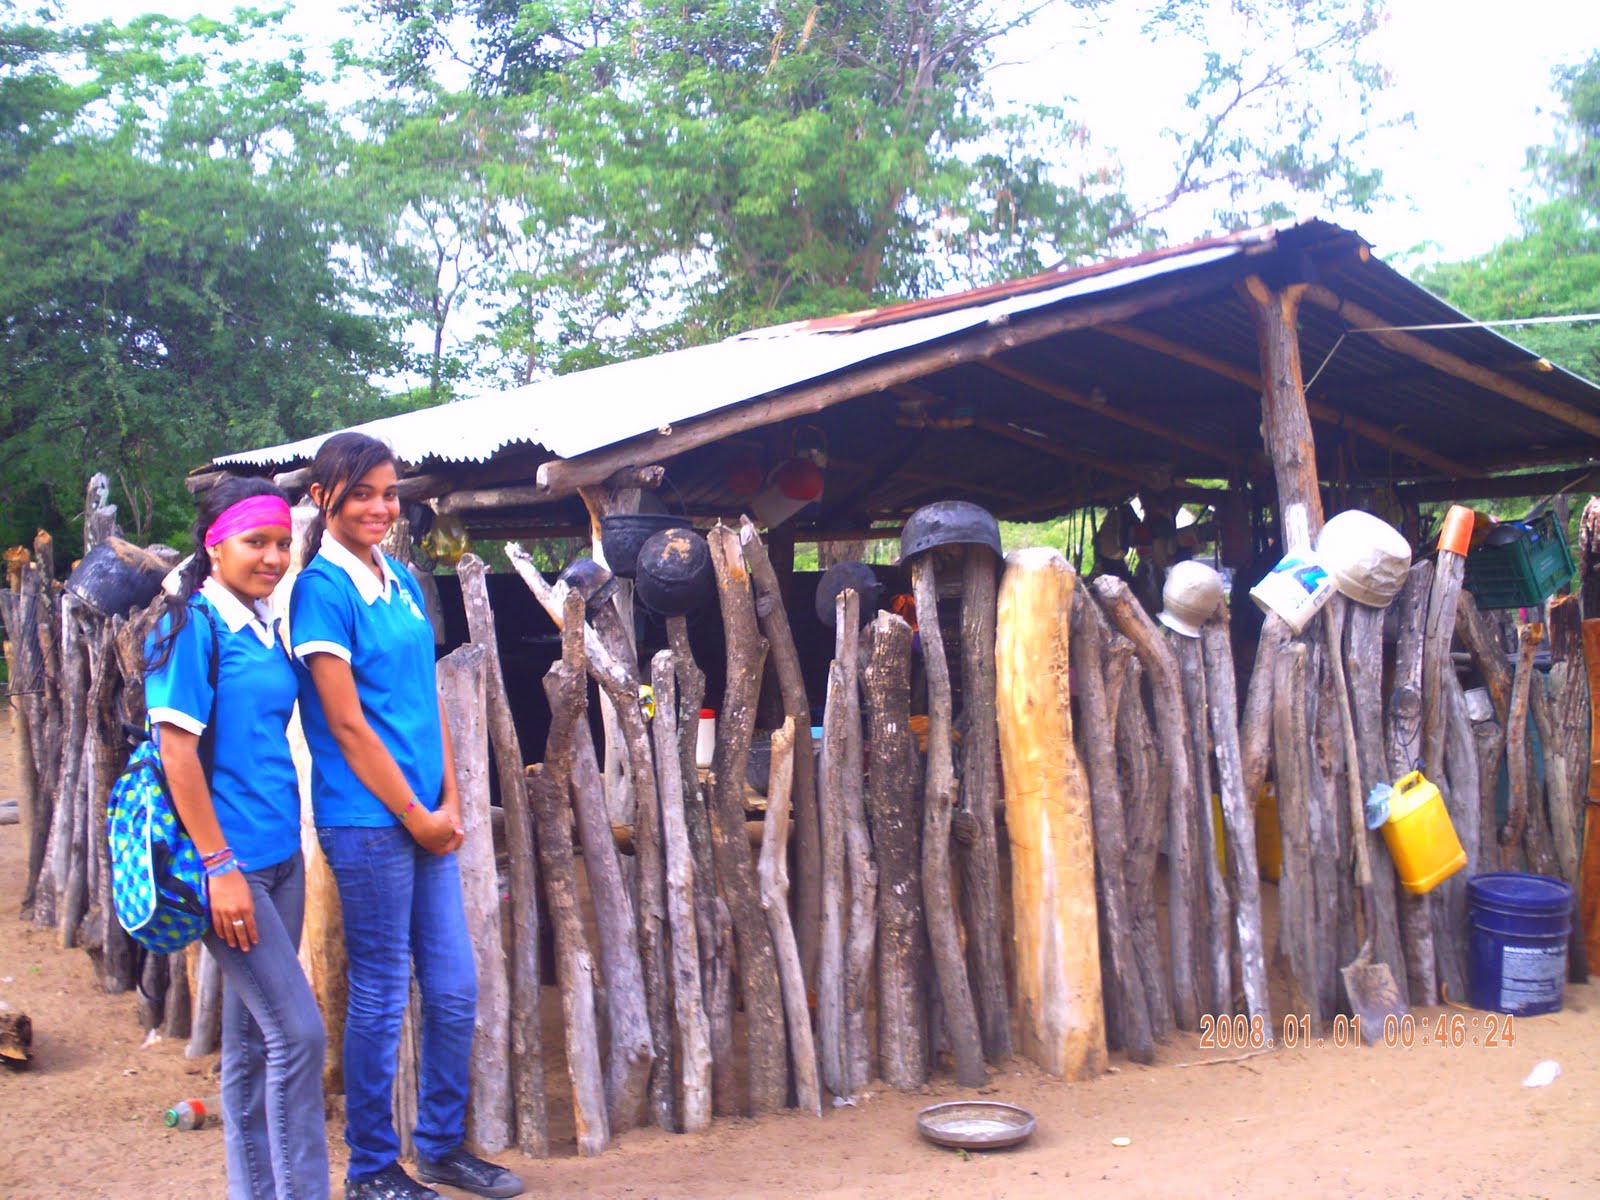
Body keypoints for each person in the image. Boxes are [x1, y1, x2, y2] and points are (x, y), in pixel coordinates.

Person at [289, 432, 523, 1200]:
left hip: (427, 813)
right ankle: (370, 1167)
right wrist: (415, 815)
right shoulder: (320, 589)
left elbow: (426, 699)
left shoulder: (401, 581)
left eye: (389, 494)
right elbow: (348, 725)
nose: (380, 508)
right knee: (383, 993)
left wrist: (450, 799)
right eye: (361, 493)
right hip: (367, 819)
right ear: (324, 497)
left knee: (455, 987)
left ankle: (441, 1148)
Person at [145, 477, 329, 1200]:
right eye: (257, 541)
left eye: (283, 543)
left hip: (280, 856)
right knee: (300, 1035)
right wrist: (219, 866)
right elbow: (176, 753)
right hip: (234, 869)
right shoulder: (192, 626)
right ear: (214, 544)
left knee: (257, 1044)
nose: (274, 557)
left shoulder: (257, 623)